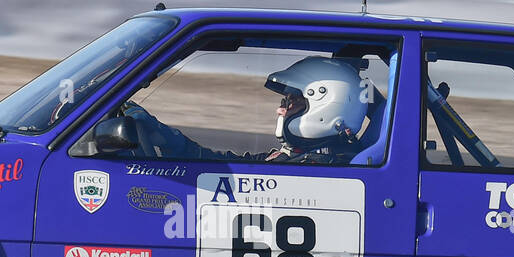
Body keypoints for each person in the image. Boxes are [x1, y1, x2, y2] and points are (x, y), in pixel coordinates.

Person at [121, 56, 372, 164]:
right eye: (284, 102)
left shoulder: (321, 168)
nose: (281, 111)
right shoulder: (298, 159)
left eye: (292, 102)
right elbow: (226, 165)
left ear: (328, 104)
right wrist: (173, 141)